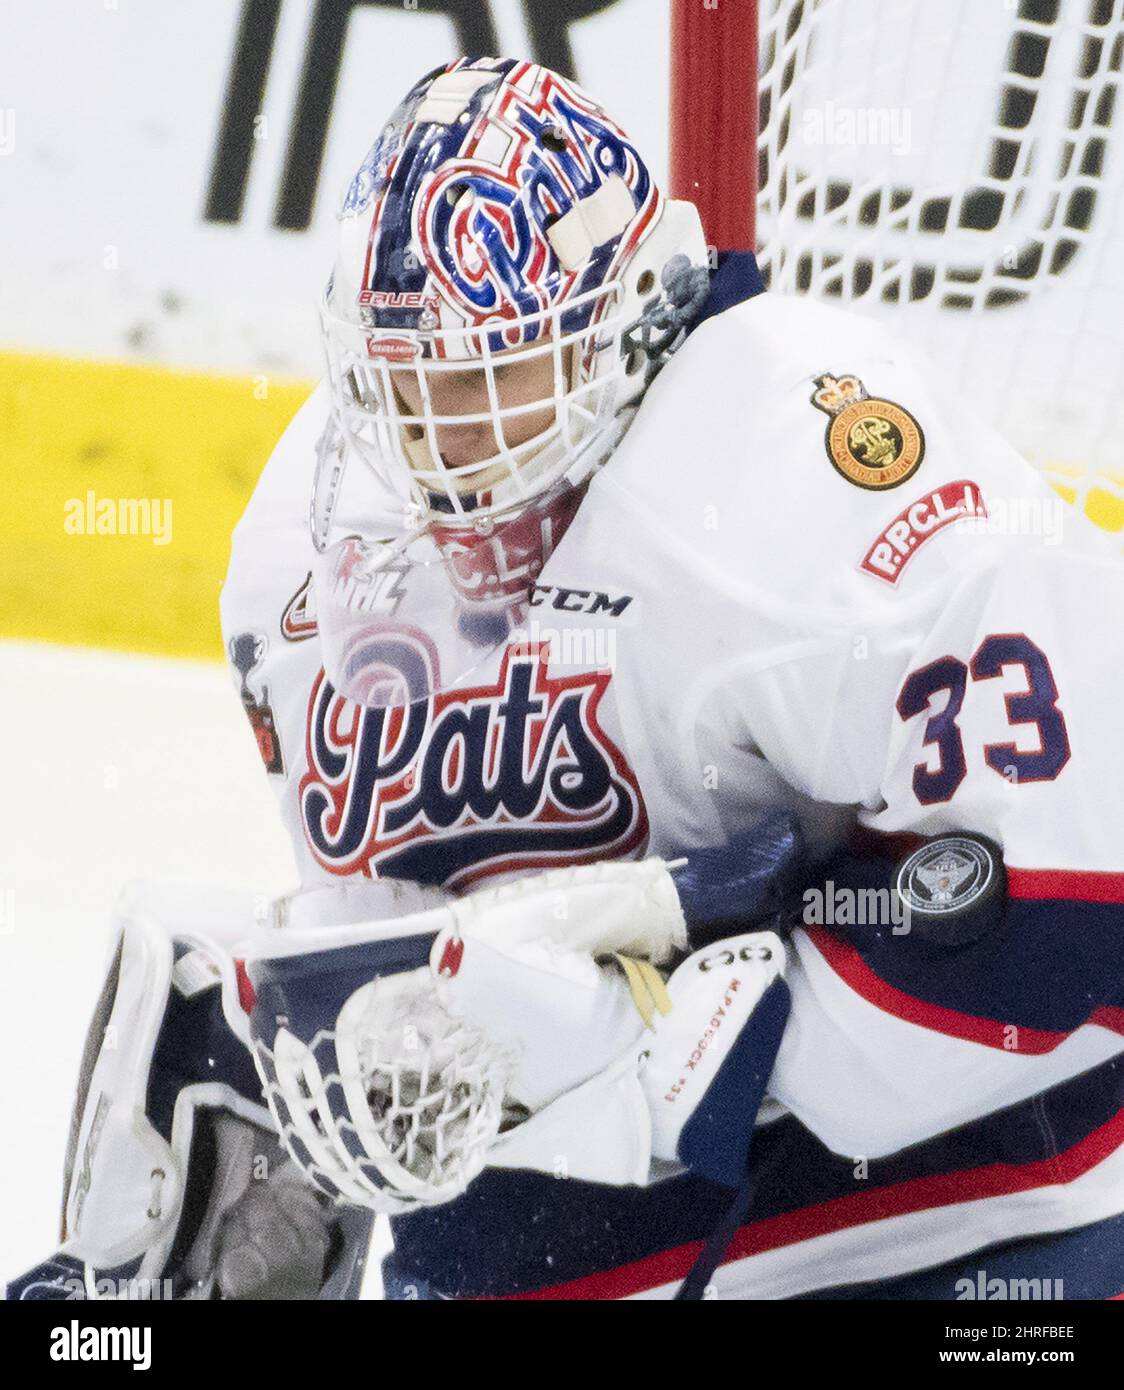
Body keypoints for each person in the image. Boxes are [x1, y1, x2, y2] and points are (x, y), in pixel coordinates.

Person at [14, 56, 1124, 1303]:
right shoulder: (312, 551)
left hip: (957, 1229)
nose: (446, 458)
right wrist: (329, 1087)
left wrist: (658, 1062)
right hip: (577, 1243)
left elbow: (1066, 922)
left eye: (491, 382)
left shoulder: (804, 485)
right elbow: (420, 952)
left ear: (635, 319)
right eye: (409, 393)